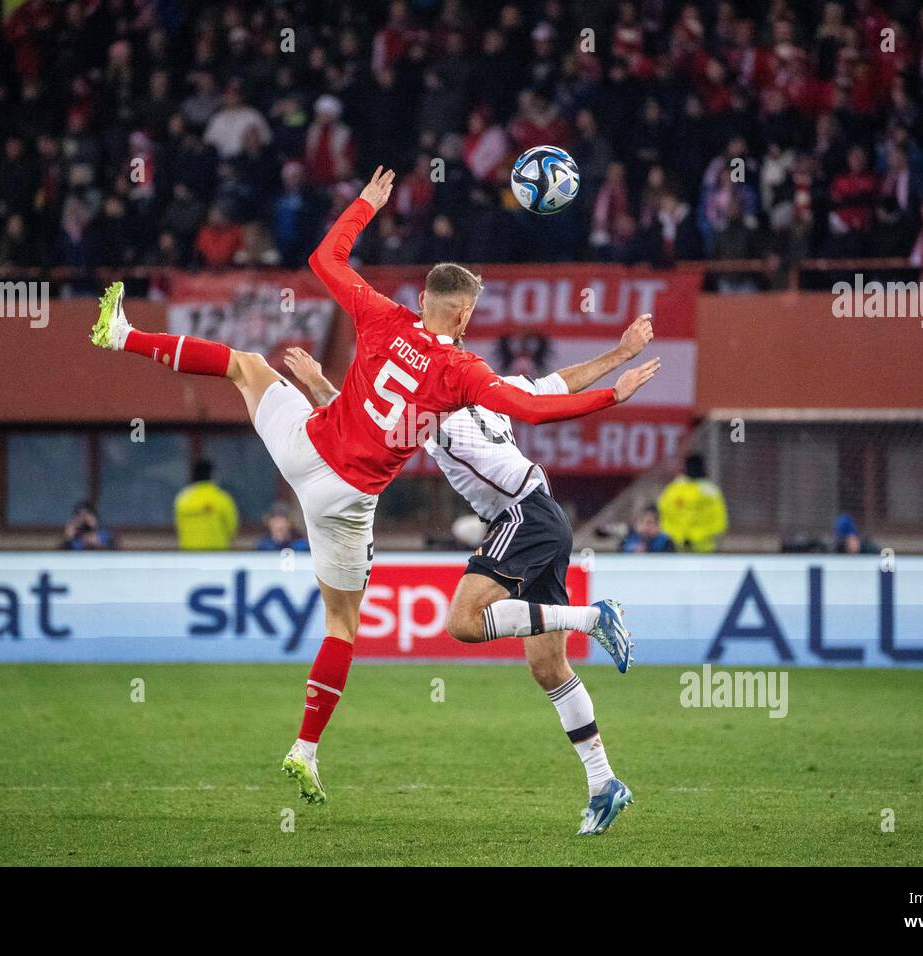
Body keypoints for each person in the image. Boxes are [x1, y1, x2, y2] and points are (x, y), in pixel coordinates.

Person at [88, 166, 657, 807]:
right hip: (350, 502)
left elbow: (324, 259)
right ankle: (303, 750)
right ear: (465, 314)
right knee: (345, 624)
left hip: (306, 452)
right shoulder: (466, 377)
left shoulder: (383, 318)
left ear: (420, 302)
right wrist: (615, 382)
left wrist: (364, 204)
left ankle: (124, 334)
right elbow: (533, 405)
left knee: (244, 365)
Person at [284, 310, 657, 835]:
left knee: (462, 621)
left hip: (522, 513)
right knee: (549, 669)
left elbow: (362, 425)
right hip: (546, 514)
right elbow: (558, 384)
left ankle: (593, 617)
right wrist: (620, 355)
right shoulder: (494, 387)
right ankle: (604, 785)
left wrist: (320, 384)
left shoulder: (432, 410)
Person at [657, 454, 728, 552]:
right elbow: (664, 512)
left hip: (702, 547)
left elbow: (719, 519)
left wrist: (706, 535)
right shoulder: (676, 488)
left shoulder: (709, 490)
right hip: (678, 546)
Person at [174, 459, 239, 550]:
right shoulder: (221, 498)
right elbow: (232, 528)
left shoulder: (183, 499)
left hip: (189, 555)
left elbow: (179, 527)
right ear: (212, 475)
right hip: (217, 554)